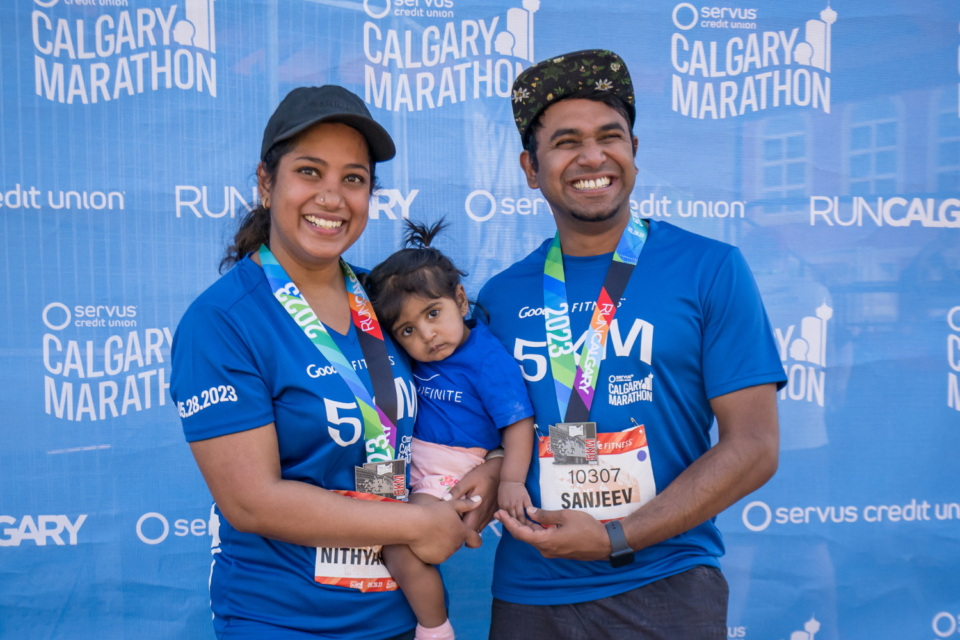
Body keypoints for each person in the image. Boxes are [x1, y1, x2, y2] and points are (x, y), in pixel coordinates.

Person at [169, 85, 502, 640]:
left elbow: (462, 399)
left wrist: (490, 470)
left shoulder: (387, 304)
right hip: (283, 622)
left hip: (398, 617)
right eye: (309, 172)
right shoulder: (223, 321)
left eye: (353, 178)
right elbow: (252, 501)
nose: (332, 196)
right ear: (266, 182)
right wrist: (416, 521)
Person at [479, 50, 789, 639]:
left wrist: (616, 535)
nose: (592, 157)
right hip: (530, 593)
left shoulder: (709, 269)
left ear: (635, 151)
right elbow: (483, 436)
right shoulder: (500, 296)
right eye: (566, 141)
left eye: (610, 136)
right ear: (530, 166)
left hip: (668, 585)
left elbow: (754, 446)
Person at [361, 219, 536, 640]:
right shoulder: (412, 358)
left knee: (401, 547)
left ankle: (435, 629)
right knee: (365, 525)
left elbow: (518, 422)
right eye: (408, 330)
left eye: (433, 313)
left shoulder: (485, 357)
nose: (427, 334)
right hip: (407, 463)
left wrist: (509, 479)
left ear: (460, 299)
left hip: (449, 470)